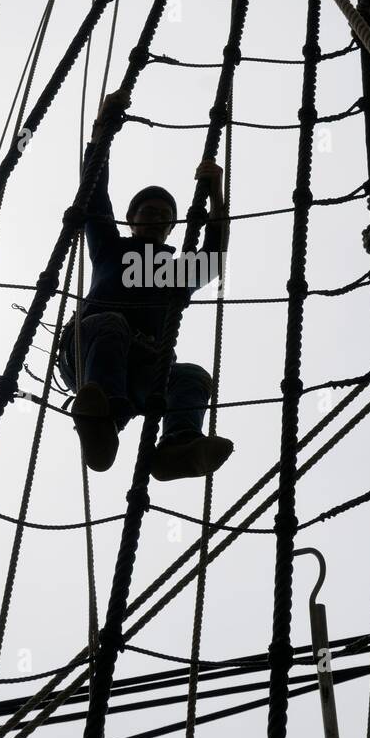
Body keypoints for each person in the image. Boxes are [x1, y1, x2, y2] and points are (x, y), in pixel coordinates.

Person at [58, 88, 234, 481]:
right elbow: (95, 192)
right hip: (89, 353)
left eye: (164, 217)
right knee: (112, 324)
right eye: (147, 212)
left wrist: (217, 194)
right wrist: (103, 128)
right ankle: (103, 422)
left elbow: (214, 254)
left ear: (171, 227)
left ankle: (177, 447)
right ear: (132, 220)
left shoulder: (175, 271)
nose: (155, 218)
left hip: (140, 368)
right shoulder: (109, 247)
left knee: (192, 377)